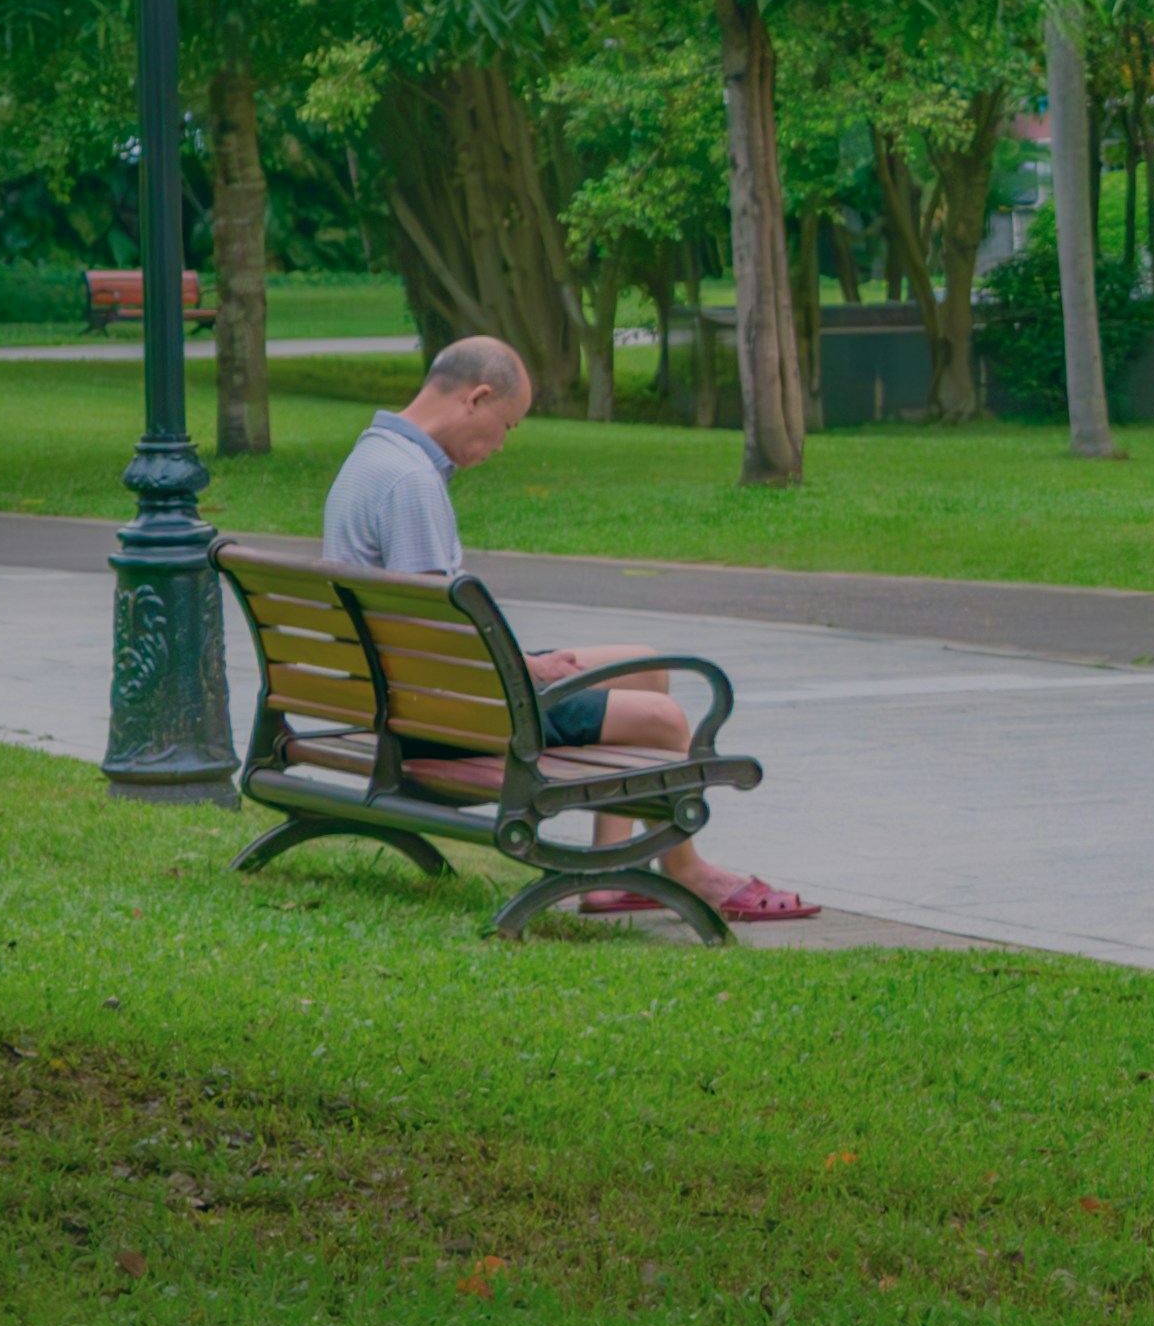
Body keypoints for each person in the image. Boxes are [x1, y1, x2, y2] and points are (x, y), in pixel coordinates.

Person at [320, 338, 817, 924]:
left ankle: (607, 874)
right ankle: (688, 871)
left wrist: (525, 664)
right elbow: (441, 638)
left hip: (413, 695)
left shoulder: (374, 456)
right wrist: (526, 669)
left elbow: (429, 631)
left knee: (645, 664)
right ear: (476, 399)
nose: (502, 444)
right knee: (666, 721)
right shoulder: (411, 484)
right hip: (447, 715)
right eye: (506, 425)